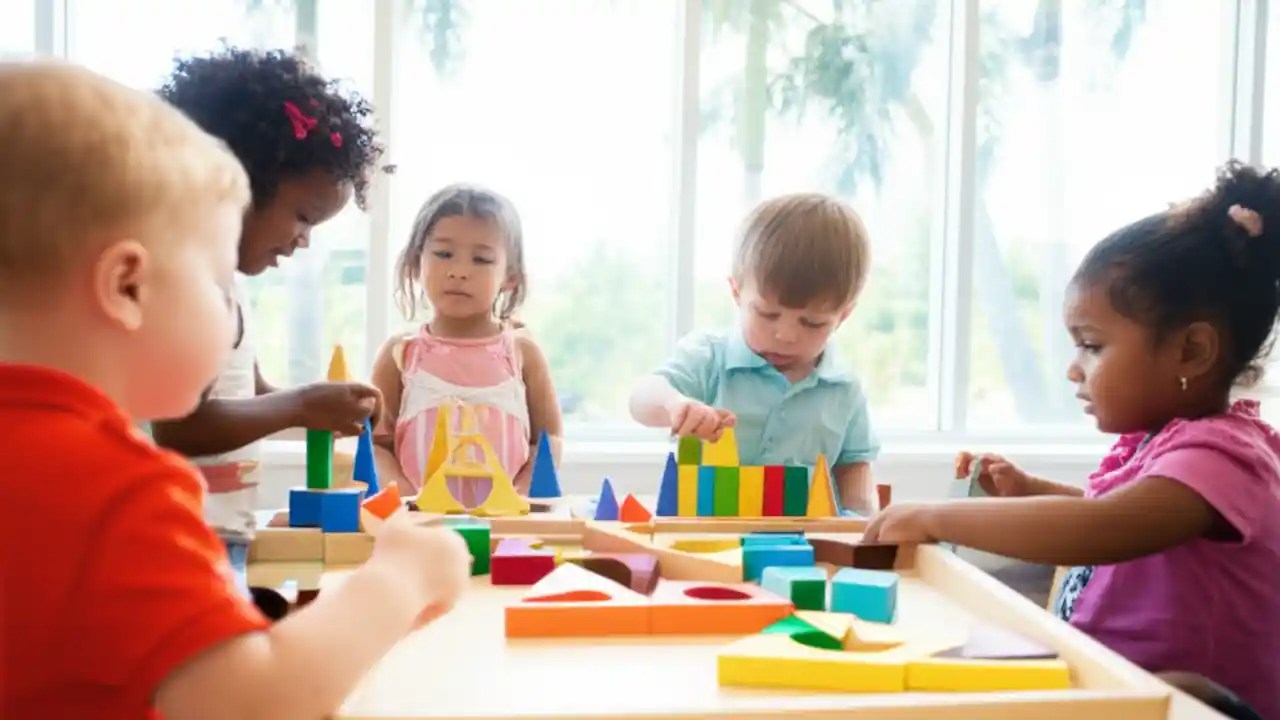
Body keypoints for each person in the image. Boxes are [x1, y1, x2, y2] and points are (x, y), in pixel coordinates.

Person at [0, 60, 471, 719]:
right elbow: (253, 704)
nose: (231, 309)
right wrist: (399, 578)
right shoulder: (123, 494)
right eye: (218, 279)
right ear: (127, 287)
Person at [863, 161, 1280, 719]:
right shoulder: (1163, 448)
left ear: (1191, 352)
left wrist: (934, 517)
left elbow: (1106, 529)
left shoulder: (1224, 458)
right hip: (1117, 687)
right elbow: (1121, 518)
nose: (1074, 370)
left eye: (1091, 346)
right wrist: (1030, 489)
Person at [150, 46, 388, 588]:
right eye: (302, 217)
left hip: (221, 533)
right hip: (177, 539)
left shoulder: (226, 284)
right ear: (237, 182)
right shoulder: (185, 284)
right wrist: (302, 406)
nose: (303, 242)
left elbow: (250, 398)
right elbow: (182, 423)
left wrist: (324, 407)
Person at [629, 192, 880, 515]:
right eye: (767, 314)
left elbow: (855, 468)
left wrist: (860, 526)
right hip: (706, 542)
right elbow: (641, 398)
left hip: (802, 552)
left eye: (812, 323)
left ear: (843, 315)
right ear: (736, 291)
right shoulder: (708, 357)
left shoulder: (845, 389)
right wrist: (674, 404)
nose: (786, 336)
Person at [370, 184, 562, 499]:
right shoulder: (401, 354)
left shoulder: (521, 352)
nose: (459, 272)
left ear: (510, 276)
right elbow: (376, 445)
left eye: (482, 259)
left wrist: (522, 495)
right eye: (444, 254)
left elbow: (550, 439)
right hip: (421, 531)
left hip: (504, 526)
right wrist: (405, 498)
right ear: (417, 262)